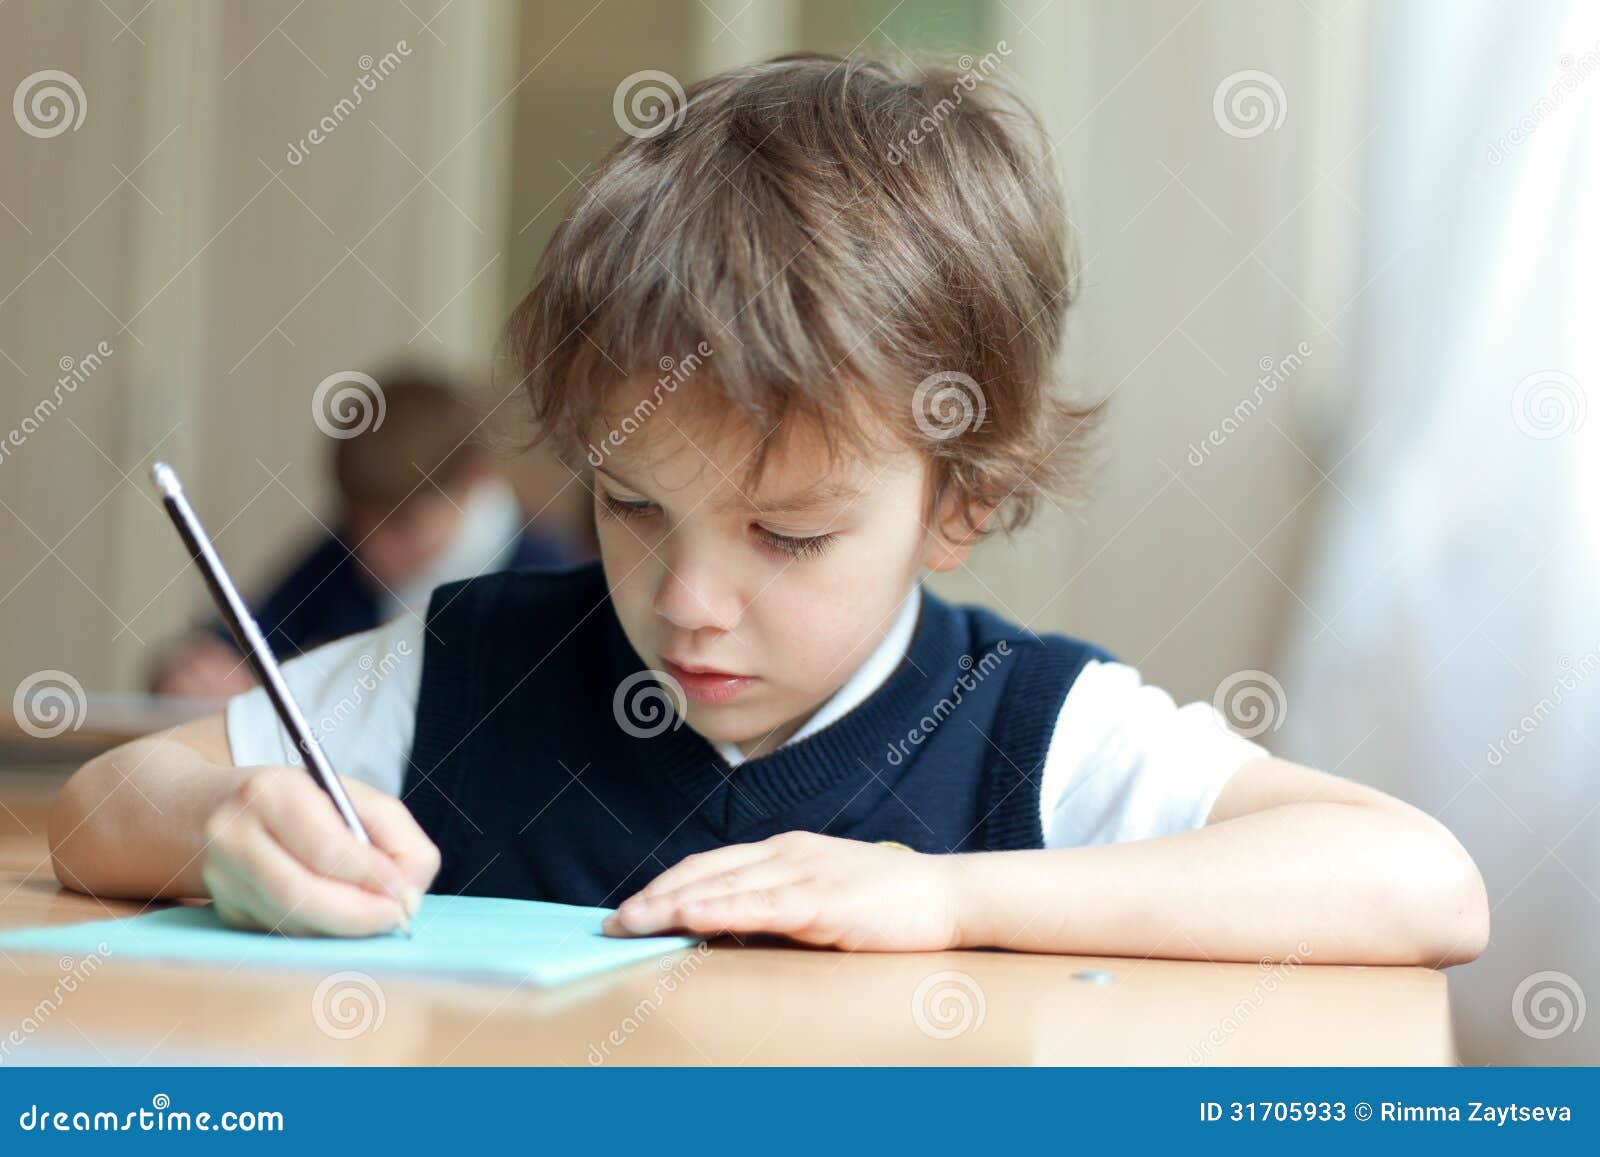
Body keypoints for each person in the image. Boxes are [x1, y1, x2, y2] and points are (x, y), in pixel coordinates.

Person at [52, 55, 1487, 966]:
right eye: (631, 506)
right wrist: (236, 821)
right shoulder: (470, 668)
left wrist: (953, 898)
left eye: (788, 535)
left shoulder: (1024, 726)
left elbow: (1421, 882)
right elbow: (100, 812)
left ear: (961, 500)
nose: (687, 602)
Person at [151, 371, 582, 698]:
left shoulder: (547, 578)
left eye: (402, 526)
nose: (373, 551)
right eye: (358, 521)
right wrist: (197, 671)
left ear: (471, 483)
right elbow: (242, 638)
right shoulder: (345, 550)